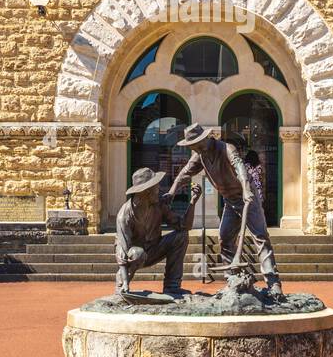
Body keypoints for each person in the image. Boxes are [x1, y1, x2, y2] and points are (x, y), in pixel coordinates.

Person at [165, 123, 283, 299]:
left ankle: (274, 284)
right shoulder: (200, 155)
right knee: (225, 238)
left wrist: (245, 188)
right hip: (229, 201)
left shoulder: (227, 148)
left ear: (206, 138)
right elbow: (184, 173)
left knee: (260, 237)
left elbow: (240, 167)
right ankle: (232, 279)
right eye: (193, 146)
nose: (196, 149)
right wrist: (172, 192)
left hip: (247, 198)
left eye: (197, 144)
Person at [114, 167, 200, 299]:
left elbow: (183, 226)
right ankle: (122, 287)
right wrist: (124, 283)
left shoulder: (159, 205)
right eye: (156, 187)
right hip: (135, 256)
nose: (159, 190)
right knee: (137, 253)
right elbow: (123, 255)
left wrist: (192, 202)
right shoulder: (124, 215)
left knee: (181, 236)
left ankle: (172, 287)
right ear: (147, 191)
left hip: (155, 249)